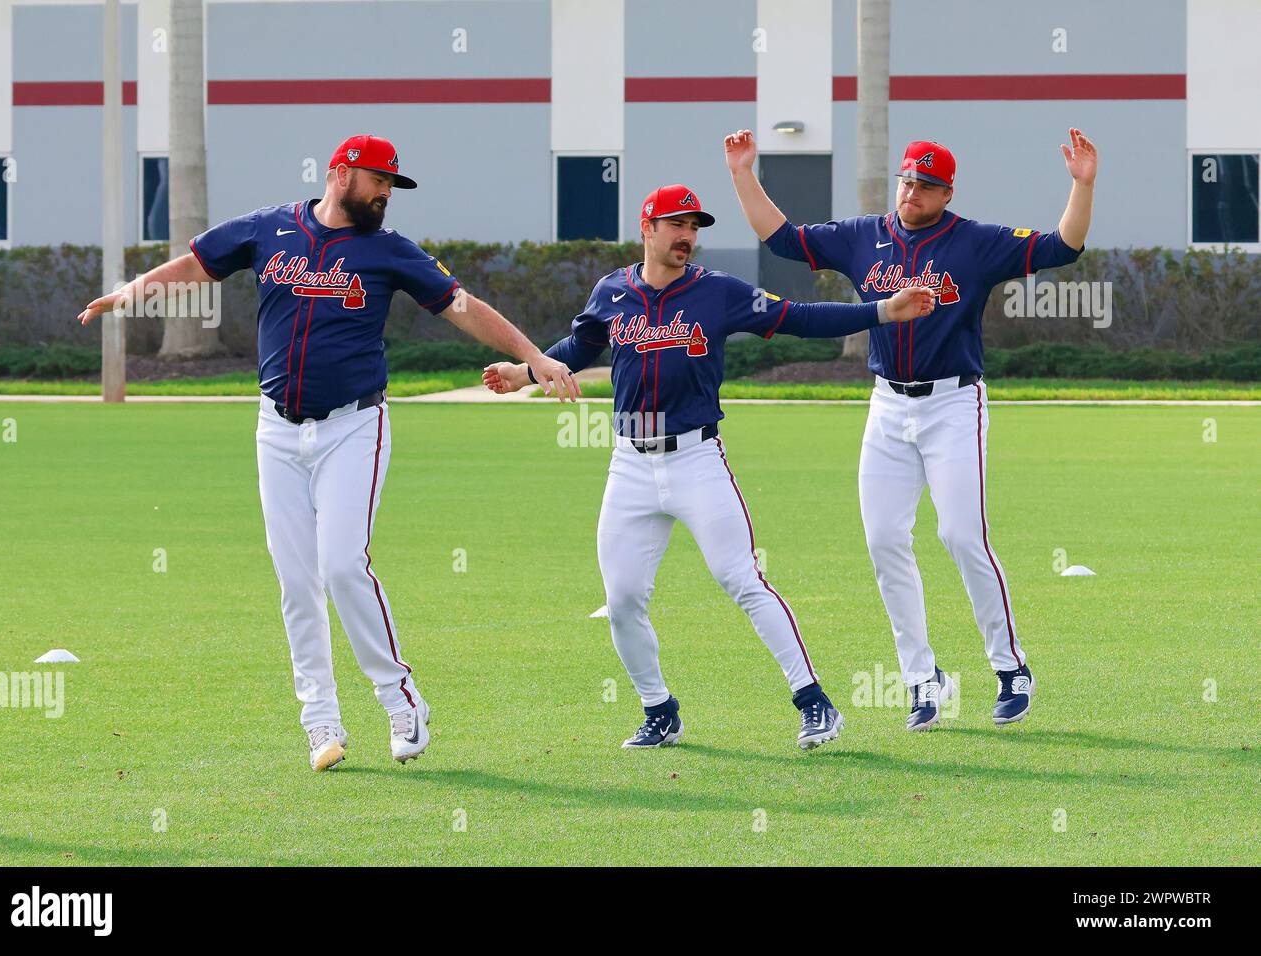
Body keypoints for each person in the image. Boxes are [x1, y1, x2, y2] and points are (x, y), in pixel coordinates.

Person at [77, 134, 579, 770]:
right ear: (341, 174)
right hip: (277, 430)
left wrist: (535, 357)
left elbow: (462, 305)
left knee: (342, 565)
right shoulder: (268, 230)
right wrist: (134, 290)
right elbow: (199, 264)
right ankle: (320, 722)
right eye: (378, 181)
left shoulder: (389, 251)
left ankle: (401, 701)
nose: (386, 193)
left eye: (392, 185)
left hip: (352, 427)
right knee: (295, 579)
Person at [482, 184, 933, 749]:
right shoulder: (613, 291)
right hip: (629, 465)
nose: (687, 236)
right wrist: (525, 371)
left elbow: (800, 318)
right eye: (676, 224)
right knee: (621, 599)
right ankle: (659, 709)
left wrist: (881, 311)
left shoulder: (717, 293)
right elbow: (580, 346)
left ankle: (815, 702)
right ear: (648, 229)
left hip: (696, 457)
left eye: (694, 227)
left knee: (742, 579)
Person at [725, 128, 1097, 729]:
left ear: (947, 192)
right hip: (887, 406)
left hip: (954, 404)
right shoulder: (863, 236)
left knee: (960, 535)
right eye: (907, 181)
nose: (912, 193)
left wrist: (1082, 185)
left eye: (926, 186)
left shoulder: (974, 241)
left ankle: (1010, 667)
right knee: (883, 541)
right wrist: (744, 173)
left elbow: (1063, 247)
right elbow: (783, 238)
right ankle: (924, 679)